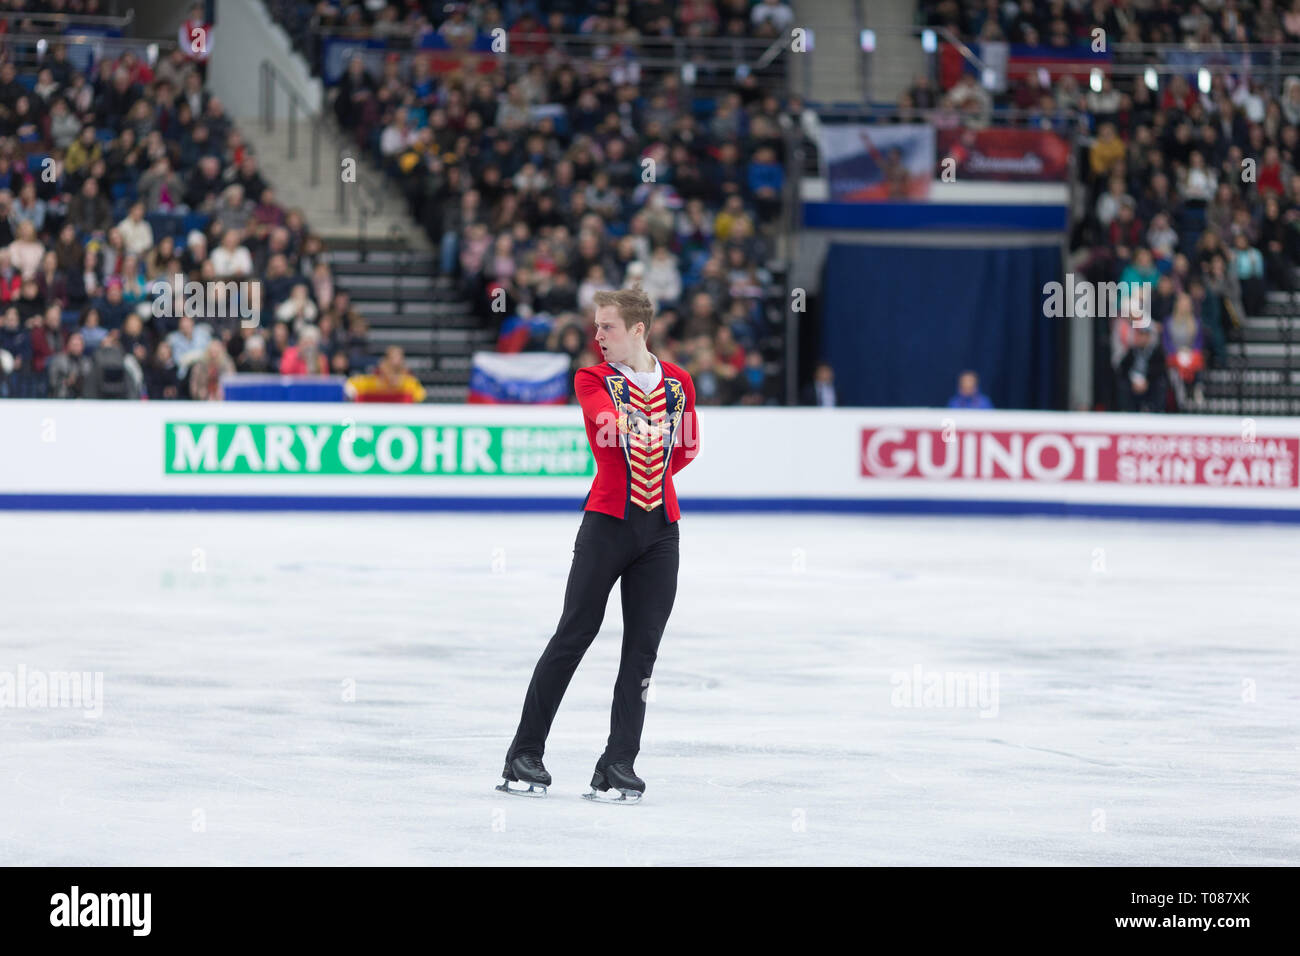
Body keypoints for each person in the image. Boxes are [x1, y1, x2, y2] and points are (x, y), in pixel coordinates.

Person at [500, 286, 700, 803]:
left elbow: (689, 447)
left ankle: (618, 762)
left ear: (638, 329)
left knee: (642, 652)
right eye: (596, 327)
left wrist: (655, 456)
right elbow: (606, 426)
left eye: (607, 327)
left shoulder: (680, 382)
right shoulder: (592, 378)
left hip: (661, 530)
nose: (597, 336)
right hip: (607, 522)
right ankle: (524, 750)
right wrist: (650, 432)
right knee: (574, 633)